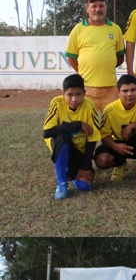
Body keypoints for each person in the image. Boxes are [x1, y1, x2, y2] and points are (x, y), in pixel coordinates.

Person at [64, 0, 126, 116]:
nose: (98, 9)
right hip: (87, 89)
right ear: (87, 8)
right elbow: (71, 57)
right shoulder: (78, 29)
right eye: (94, 6)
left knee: (112, 125)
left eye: (101, 6)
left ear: (106, 8)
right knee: (86, 124)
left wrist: (105, 67)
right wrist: (86, 71)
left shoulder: (115, 29)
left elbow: (120, 57)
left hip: (111, 89)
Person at [95, 75, 136, 188]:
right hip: (118, 143)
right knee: (101, 161)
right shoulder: (110, 110)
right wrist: (117, 147)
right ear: (118, 92)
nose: (129, 94)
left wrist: (133, 125)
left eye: (133, 90)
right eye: (125, 91)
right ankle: (120, 164)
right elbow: (103, 135)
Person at [44, 72, 103, 200]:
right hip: (61, 145)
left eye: (78, 94)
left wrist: (84, 167)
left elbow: (92, 139)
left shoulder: (89, 106)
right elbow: (47, 132)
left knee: (84, 186)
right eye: (69, 95)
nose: (74, 99)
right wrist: (78, 125)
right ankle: (62, 183)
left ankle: (69, 172)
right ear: (63, 94)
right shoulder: (57, 103)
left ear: (84, 93)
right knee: (63, 137)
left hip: (78, 151)